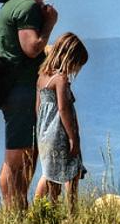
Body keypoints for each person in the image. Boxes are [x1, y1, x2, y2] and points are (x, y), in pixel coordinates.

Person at [0, 0, 62, 213]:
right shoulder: (28, 6)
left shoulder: (15, 3)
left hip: (15, 89)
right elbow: (31, 47)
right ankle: (14, 215)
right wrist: (50, 23)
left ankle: (17, 210)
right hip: (21, 91)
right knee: (17, 158)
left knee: (24, 155)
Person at [34, 33, 89, 214]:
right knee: (72, 171)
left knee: (49, 172)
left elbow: (38, 107)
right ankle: (72, 212)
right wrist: (73, 138)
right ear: (69, 58)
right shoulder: (61, 79)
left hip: (45, 131)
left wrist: (41, 131)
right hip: (60, 132)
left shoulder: (42, 76)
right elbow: (63, 109)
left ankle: (40, 208)